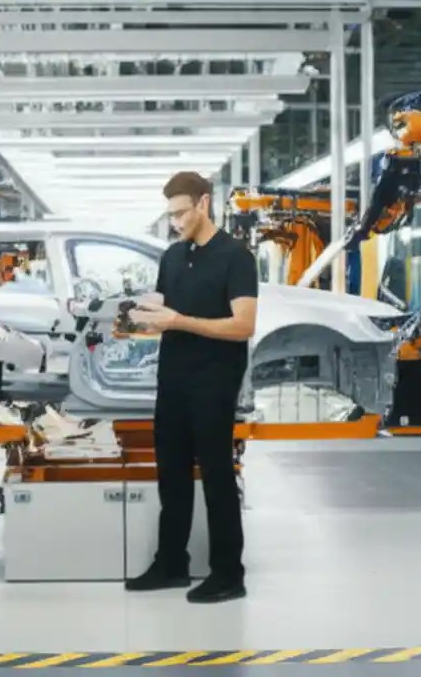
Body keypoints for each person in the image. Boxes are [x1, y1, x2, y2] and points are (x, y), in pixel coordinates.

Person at [122, 171, 258, 604]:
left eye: (181, 213)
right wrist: (138, 317)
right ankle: (172, 563)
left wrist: (177, 321)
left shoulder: (236, 257)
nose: (176, 222)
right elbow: (169, 310)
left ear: (203, 203)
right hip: (173, 379)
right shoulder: (173, 257)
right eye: (171, 215)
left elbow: (244, 325)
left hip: (215, 382)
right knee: (172, 477)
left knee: (217, 477)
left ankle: (228, 574)